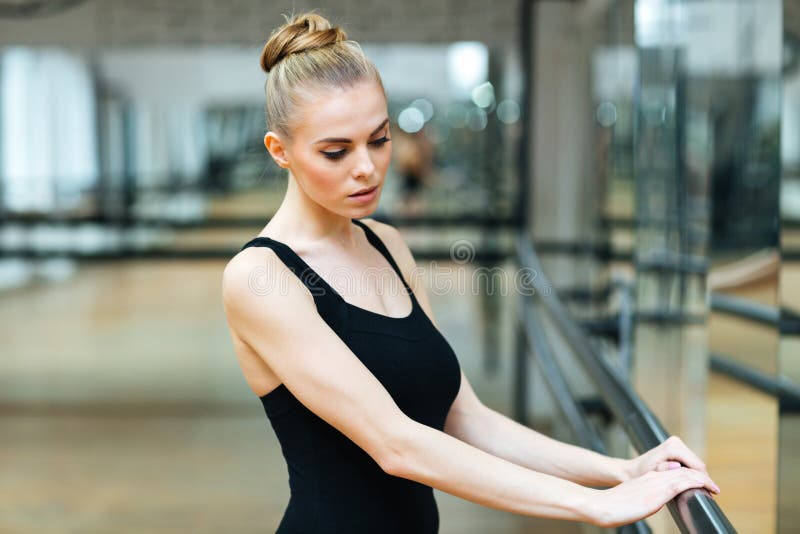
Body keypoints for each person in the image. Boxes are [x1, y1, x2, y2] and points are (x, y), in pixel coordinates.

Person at [221, 12, 720, 533]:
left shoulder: (387, 245)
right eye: (336, 151)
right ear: (280, 151)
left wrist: (619, 470)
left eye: (380, 139)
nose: (367, 167)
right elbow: (398, 444)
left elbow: (466, 419)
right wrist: (592, 505)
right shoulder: (259, 277)